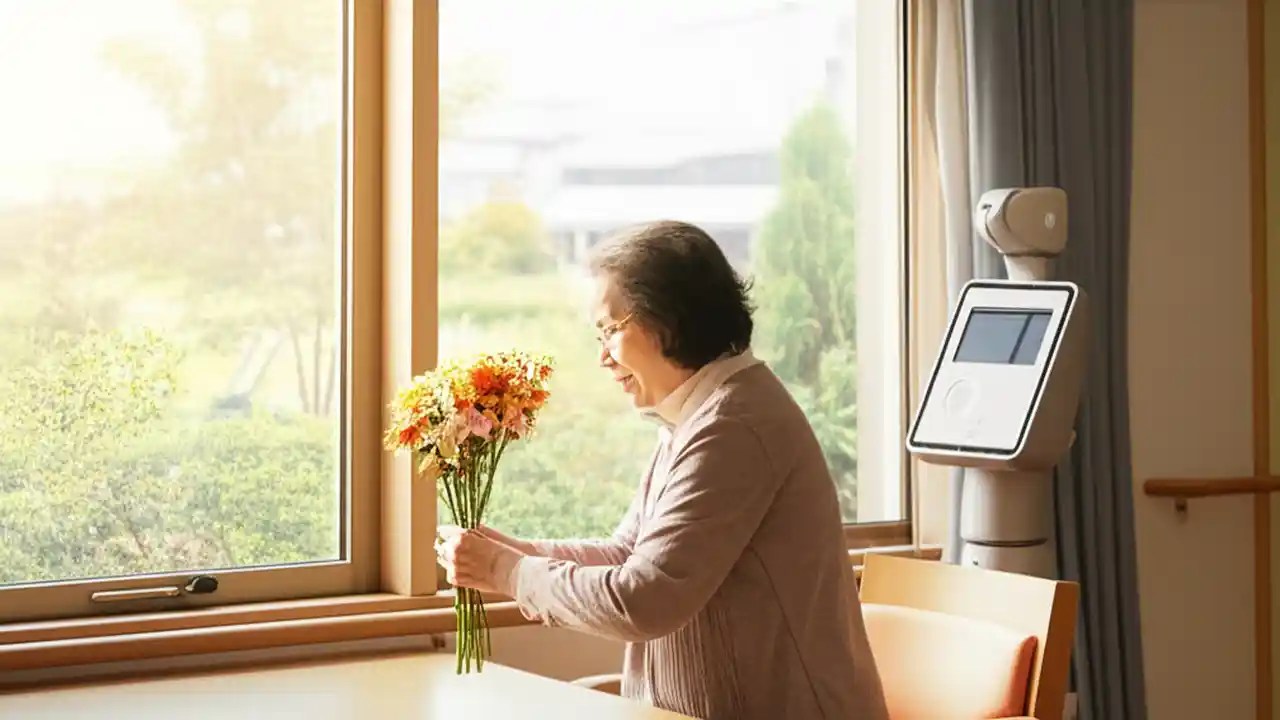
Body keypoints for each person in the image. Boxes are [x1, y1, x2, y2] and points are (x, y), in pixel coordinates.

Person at [437, 220, 889, 720]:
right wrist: (513, 554)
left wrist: (506, 572)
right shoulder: (695, 415)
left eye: (610, 330)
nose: (602, 358)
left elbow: (643, 598)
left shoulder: (734, 425)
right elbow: (628, 553)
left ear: (669, 319)